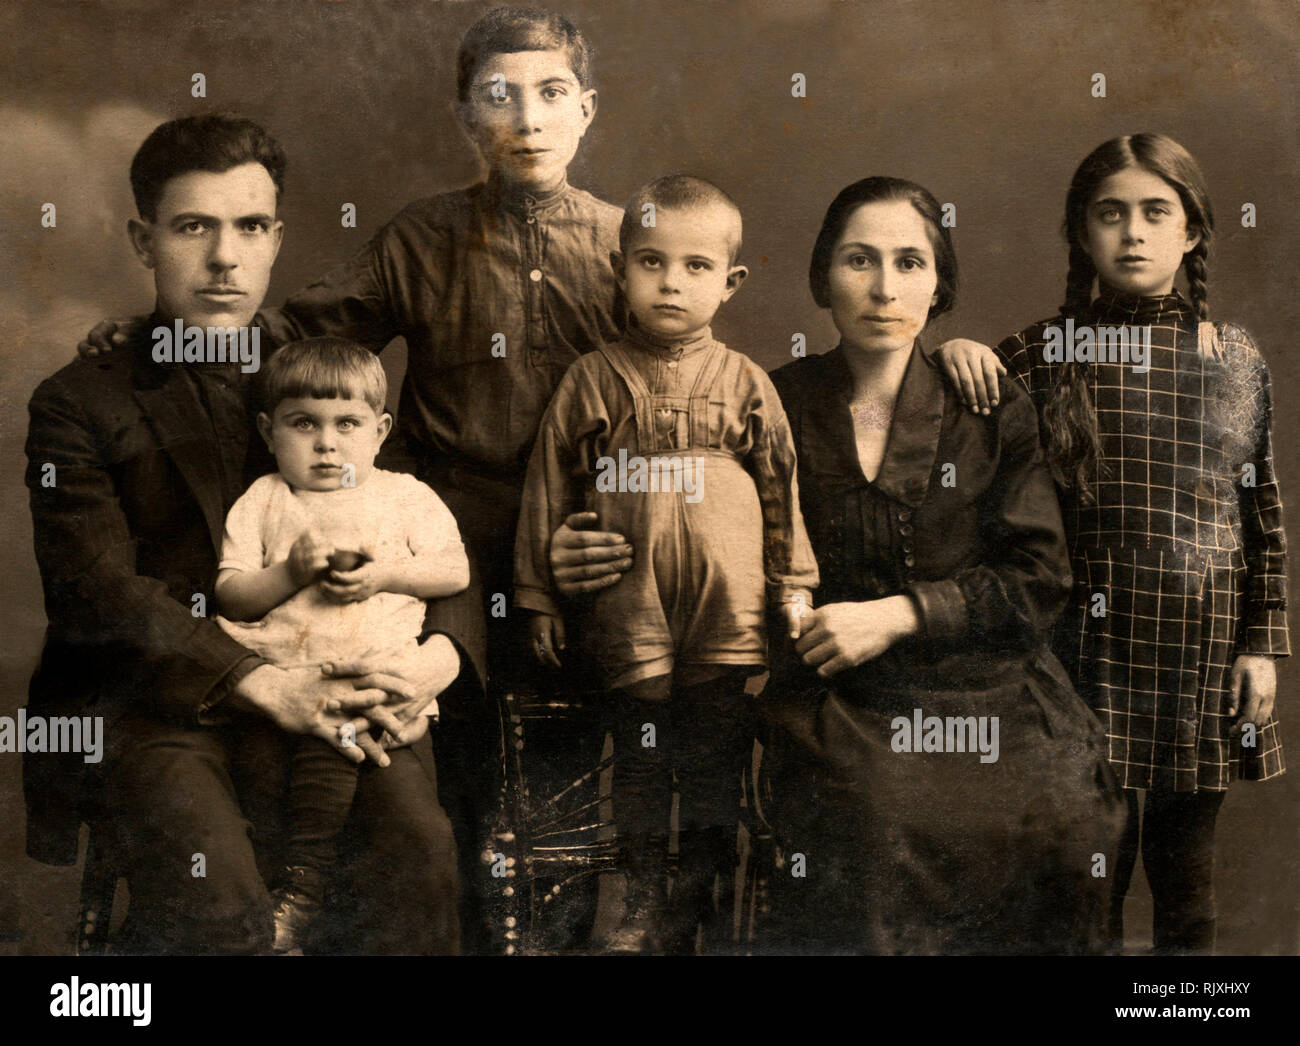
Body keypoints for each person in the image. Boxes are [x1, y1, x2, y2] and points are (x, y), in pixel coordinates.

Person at [79, 6, 616, 952]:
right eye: (499, 96)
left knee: (549, 810)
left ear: (587, 111)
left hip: (576, 542)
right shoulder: (423, 236)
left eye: (550, 94)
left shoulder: (624, 243)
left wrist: (609, 521)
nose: (527, 118)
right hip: (432, 530)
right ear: (464, 116)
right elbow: (299, 344)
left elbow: (678, 383)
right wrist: (159, 331)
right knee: (433, 796)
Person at [25, 114, 470, 954]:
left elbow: (424, 526)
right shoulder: (79, 400)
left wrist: (432, 661)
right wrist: (263, 684)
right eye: (194, 226)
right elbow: (96, 592)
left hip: (351, 680)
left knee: (419, 858)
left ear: (277, 239)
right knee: (219, 899)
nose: (226, 258)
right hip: (166, 702)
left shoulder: (326, 375)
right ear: (143, 239)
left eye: (250, 227)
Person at [933, 134, 1288, 954]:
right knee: (1081, 890)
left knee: (1186, 898)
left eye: (1156, 213)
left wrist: (1261, 647)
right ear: (1081, 234)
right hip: (1081, 661)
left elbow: (1259, 511)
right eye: (1110, 214)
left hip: (1199, 661)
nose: (1133, 233)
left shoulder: (1234, 359)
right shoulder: (1036, 355)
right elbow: (948, 449)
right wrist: (951, 353)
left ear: (1192, 232)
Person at [756, 175, 1123, 953]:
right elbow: (734, 545)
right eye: (860, 260)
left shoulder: (989, 407)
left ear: (939, 283)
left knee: (1066, 813)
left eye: (910, 262)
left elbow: (1039, 579)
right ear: (824, 277)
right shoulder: (774, 400)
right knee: (875, 820)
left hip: (991, 689)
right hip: (848, 700)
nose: (885, 287)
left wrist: (900, 614)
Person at [515, 176, 818, 952]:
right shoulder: (591, 378)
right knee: (643, 757)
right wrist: (541, 597)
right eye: (650, 262)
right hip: (630, 600)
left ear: (729, 281)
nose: (671, 282)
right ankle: (646, 899)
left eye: (693, 266)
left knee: (714, 758)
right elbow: (549, 484)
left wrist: (793, 585)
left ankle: (705, 901)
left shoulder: (748, 381)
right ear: (620, 272)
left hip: (725, 606)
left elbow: (781, 488)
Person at [214, 338, 470, 952]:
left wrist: (384, 574)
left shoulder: (404, 496)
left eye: (347, 424)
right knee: (268, 809)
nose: (327, 443)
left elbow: (454, 572)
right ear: (268, 429)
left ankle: (304, 895)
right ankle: (297, 897)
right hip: (286, 697)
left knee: (415, 832)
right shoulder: (265, 499)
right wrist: (289, 574)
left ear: (380, 431)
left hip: (382, 695)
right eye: (304, 423)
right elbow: (230, 596)